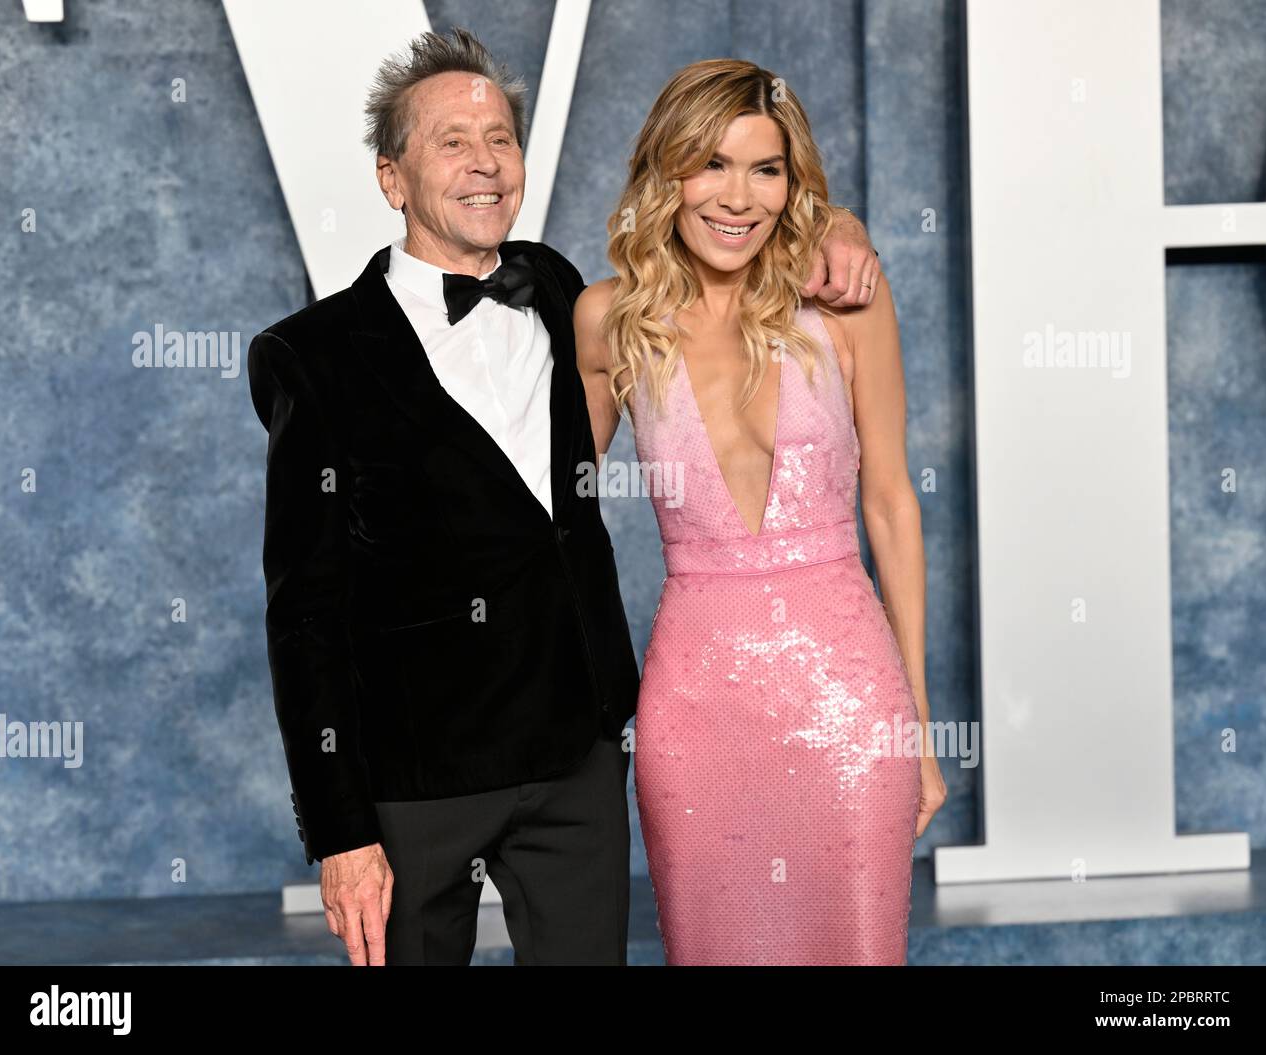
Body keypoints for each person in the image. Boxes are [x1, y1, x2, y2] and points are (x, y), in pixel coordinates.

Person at [248, 28, 881, 966]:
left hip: (578, 766)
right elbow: (303, 613)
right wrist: (341, 832)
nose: (484, 162)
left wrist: (838, 224)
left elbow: (718, 231)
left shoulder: (560, 291)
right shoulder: (314, 355)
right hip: (419, 782)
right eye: (451, 142)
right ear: (392, 179)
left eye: (499, 137)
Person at [574, 58, 946, 965]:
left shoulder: (845, 299)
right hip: (695, 716)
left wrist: (917, 728)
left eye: (765, 169)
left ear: (793, 184)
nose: (738, 197)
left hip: (848, 702)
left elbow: (892, 504)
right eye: (711, 165)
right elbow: (550, 519)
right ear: (668, 173)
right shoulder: (609, 319)